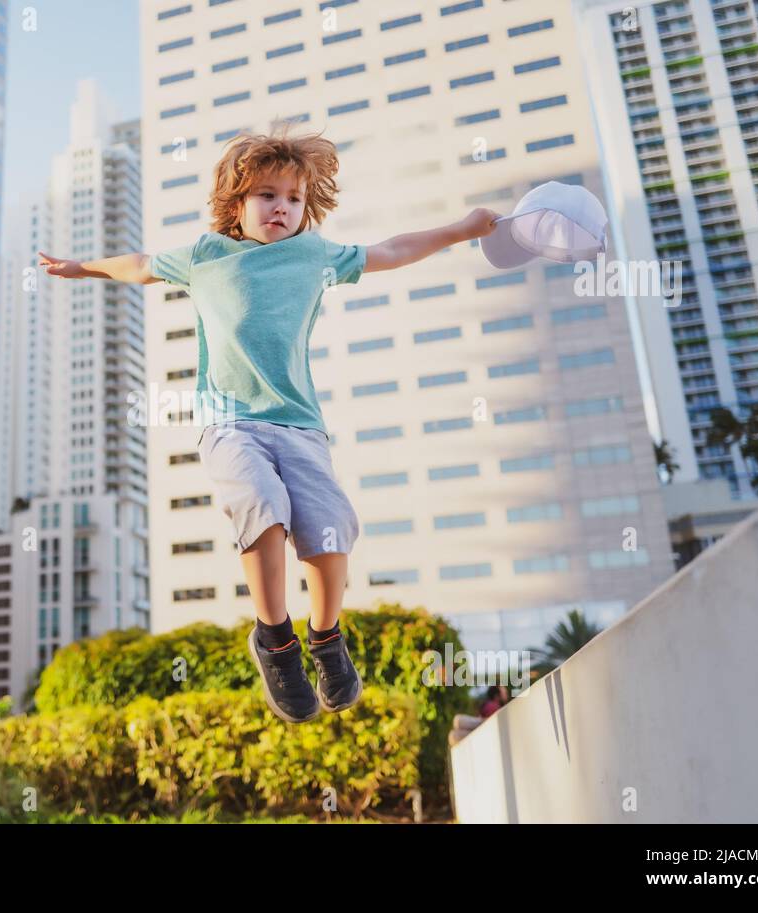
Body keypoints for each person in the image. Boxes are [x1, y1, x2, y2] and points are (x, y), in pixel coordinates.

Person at [38, 126, 498, 724]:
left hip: (300, 424)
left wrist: (462, 230)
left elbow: (389, 250)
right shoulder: (206, 255)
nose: (282, 207)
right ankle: (276, 640)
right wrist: (83, 269)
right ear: (237, 203)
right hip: (230, 422)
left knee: (330, 529)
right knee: (262, 505)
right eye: (266, 195)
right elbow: (142, 264)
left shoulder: (315, 256)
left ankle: (326, 637)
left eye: (294, 198)